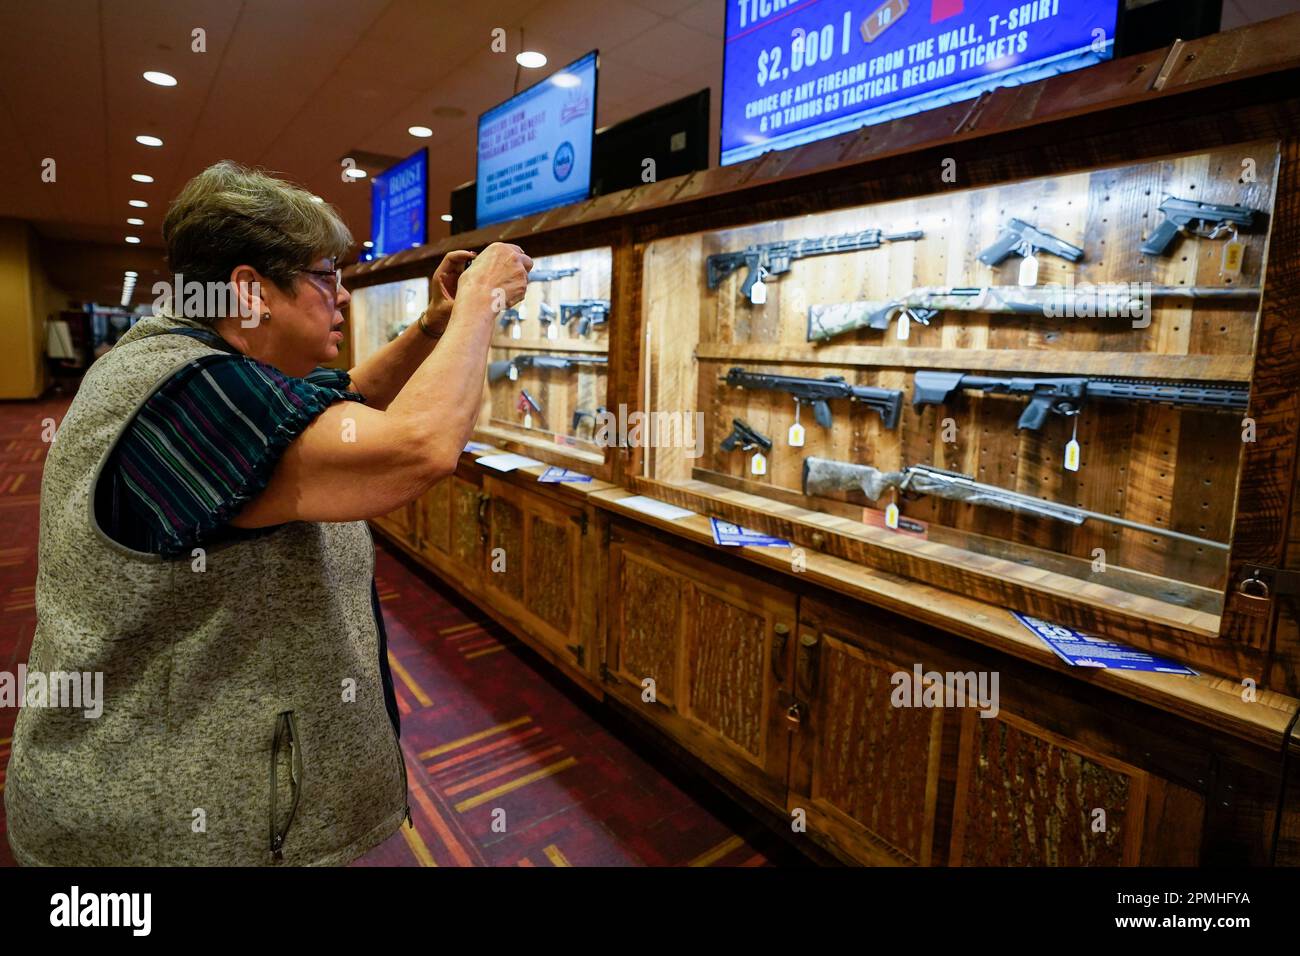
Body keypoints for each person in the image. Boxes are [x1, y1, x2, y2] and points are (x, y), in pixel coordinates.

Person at [4, 160, 531, 865]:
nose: (342, 297)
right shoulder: (194, 394)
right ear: (251, 291)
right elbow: (417, 449)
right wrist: (483, 303)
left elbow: (337, 401)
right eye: (325, 277)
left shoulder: (176, 363)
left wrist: (434, 330)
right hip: (166, 827)